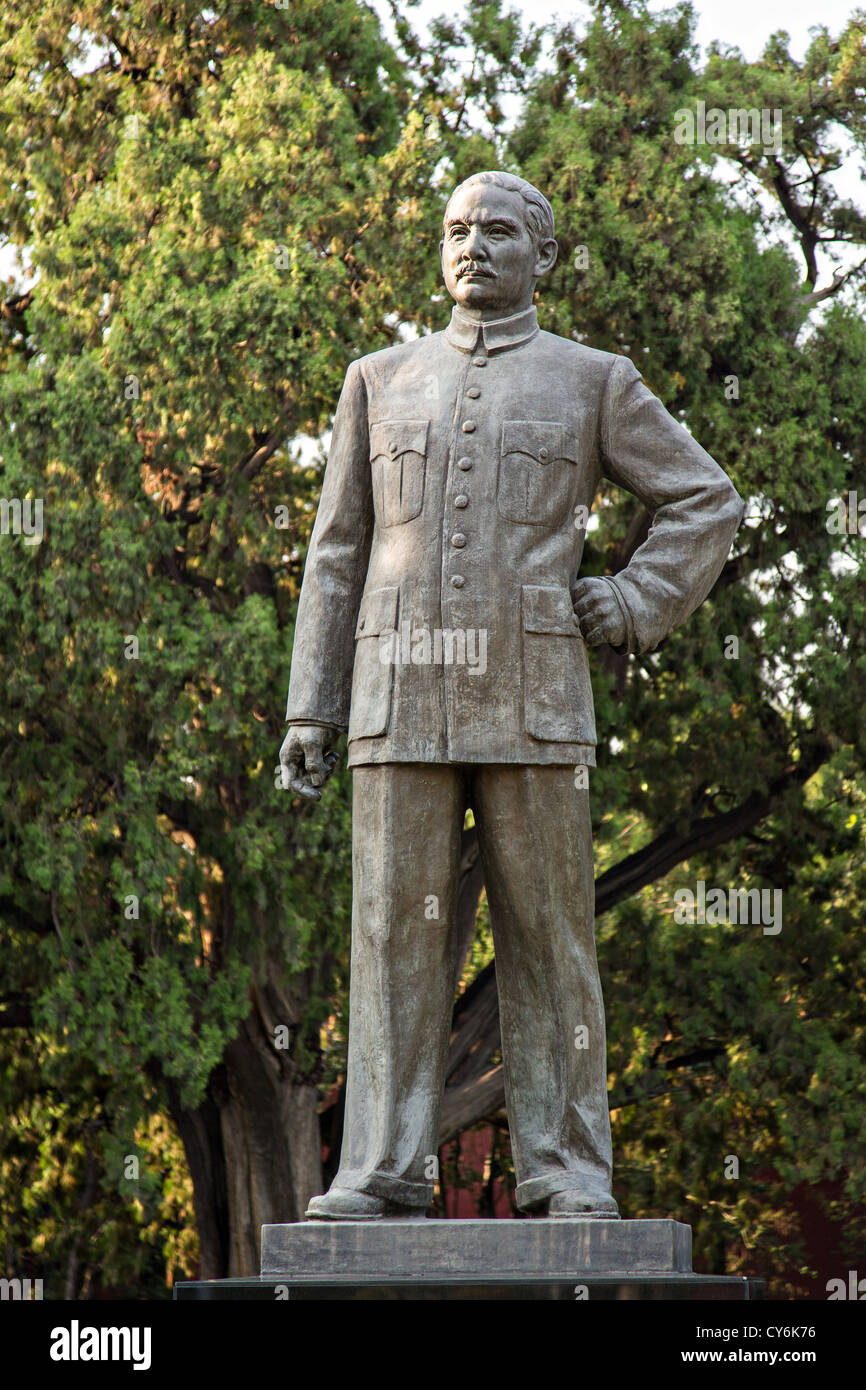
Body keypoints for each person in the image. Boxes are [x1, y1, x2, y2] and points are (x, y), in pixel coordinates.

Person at [280, 170, 743, 1220]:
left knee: (549, 942)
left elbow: (704, 499)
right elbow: (337, 551)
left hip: (533, 698)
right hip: (396, 698)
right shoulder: (378, 379)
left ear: (542, 253)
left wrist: (632, 599)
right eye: (456, 229)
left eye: (496, 230)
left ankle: (567, 1168)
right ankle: (380, 1168)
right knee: (390, 940)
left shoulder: (591, 381)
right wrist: (312, 705)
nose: (472, 246)